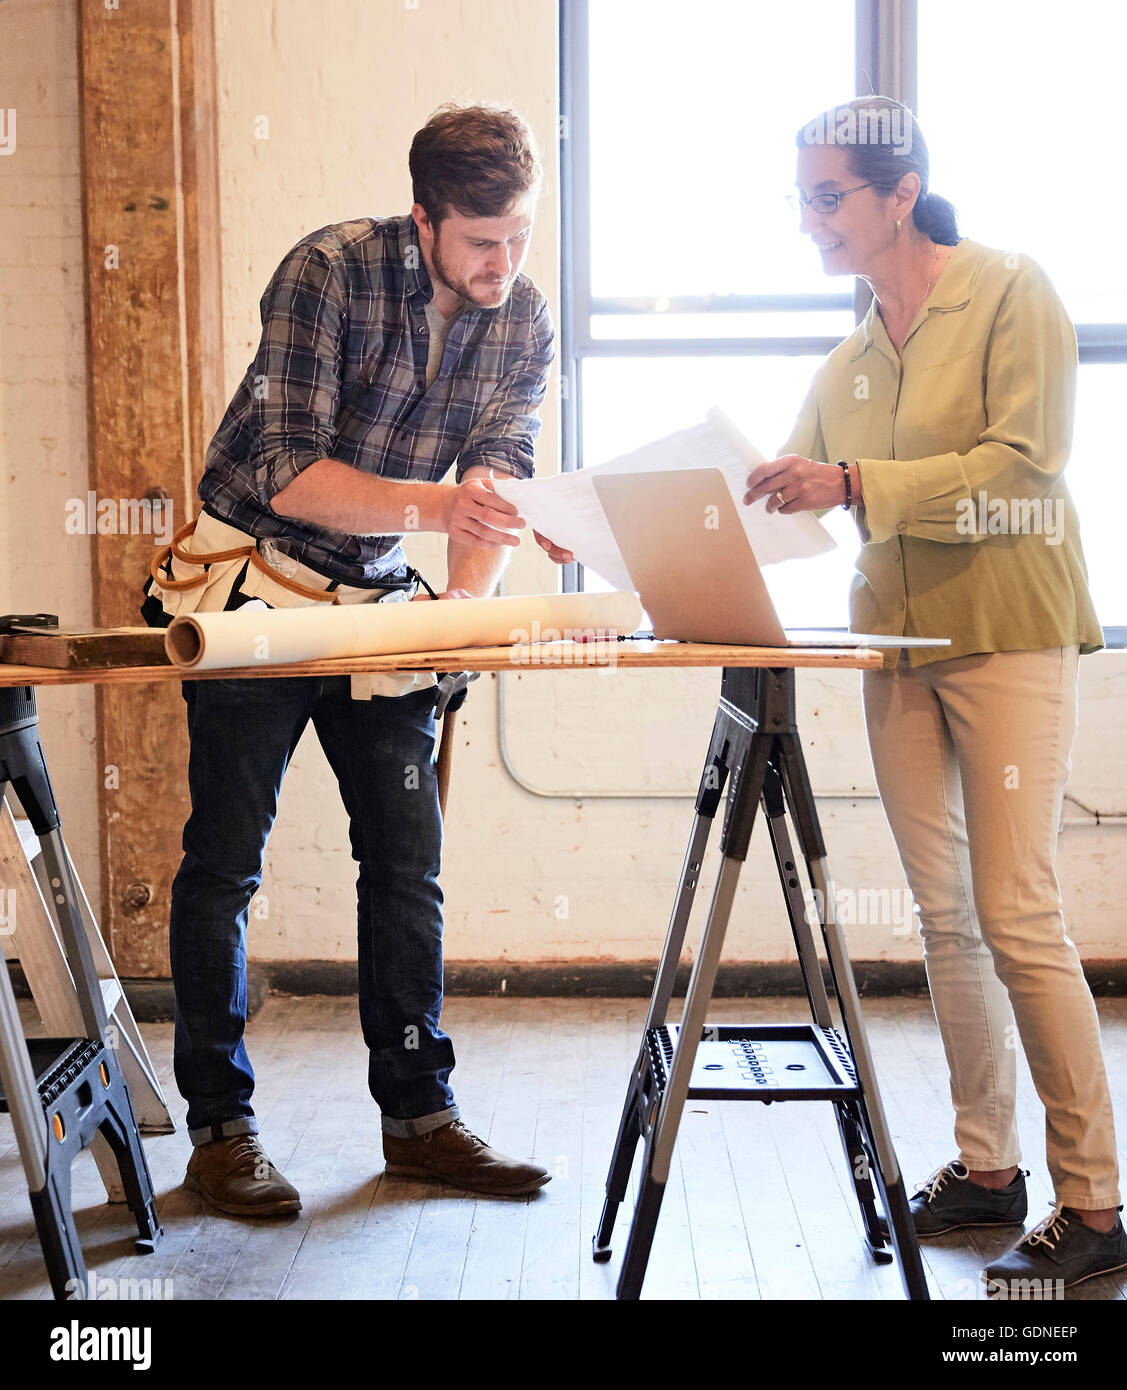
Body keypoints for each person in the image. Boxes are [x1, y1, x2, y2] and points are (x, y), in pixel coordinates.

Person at [740, 95, 1123, 1294]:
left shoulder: (1009, 290)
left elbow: (1025, 463)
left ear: (897, 191)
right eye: (799, 196)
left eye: (826, 196)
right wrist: (610, 524)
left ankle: (1095, 1198)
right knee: (942, 914)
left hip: (1004, 632)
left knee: (1013, 911)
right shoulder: (851, 355)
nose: (808, 218)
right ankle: (985, 1171)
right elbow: (785, 490)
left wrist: (855, 478)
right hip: (895, 649)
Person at [141, 103, 555, 1216]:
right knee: (225, 864)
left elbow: (499, 482)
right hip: (255, 586)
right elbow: (286, 471)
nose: (503, 264)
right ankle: (221, 1133)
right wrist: (441, 502)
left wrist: (460, 616)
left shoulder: (521, 316)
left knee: (406, 863)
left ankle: (419, 1113)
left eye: (519, 236)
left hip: (377, 604)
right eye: (480, 241)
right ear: (422, 217)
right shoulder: (325, 272)